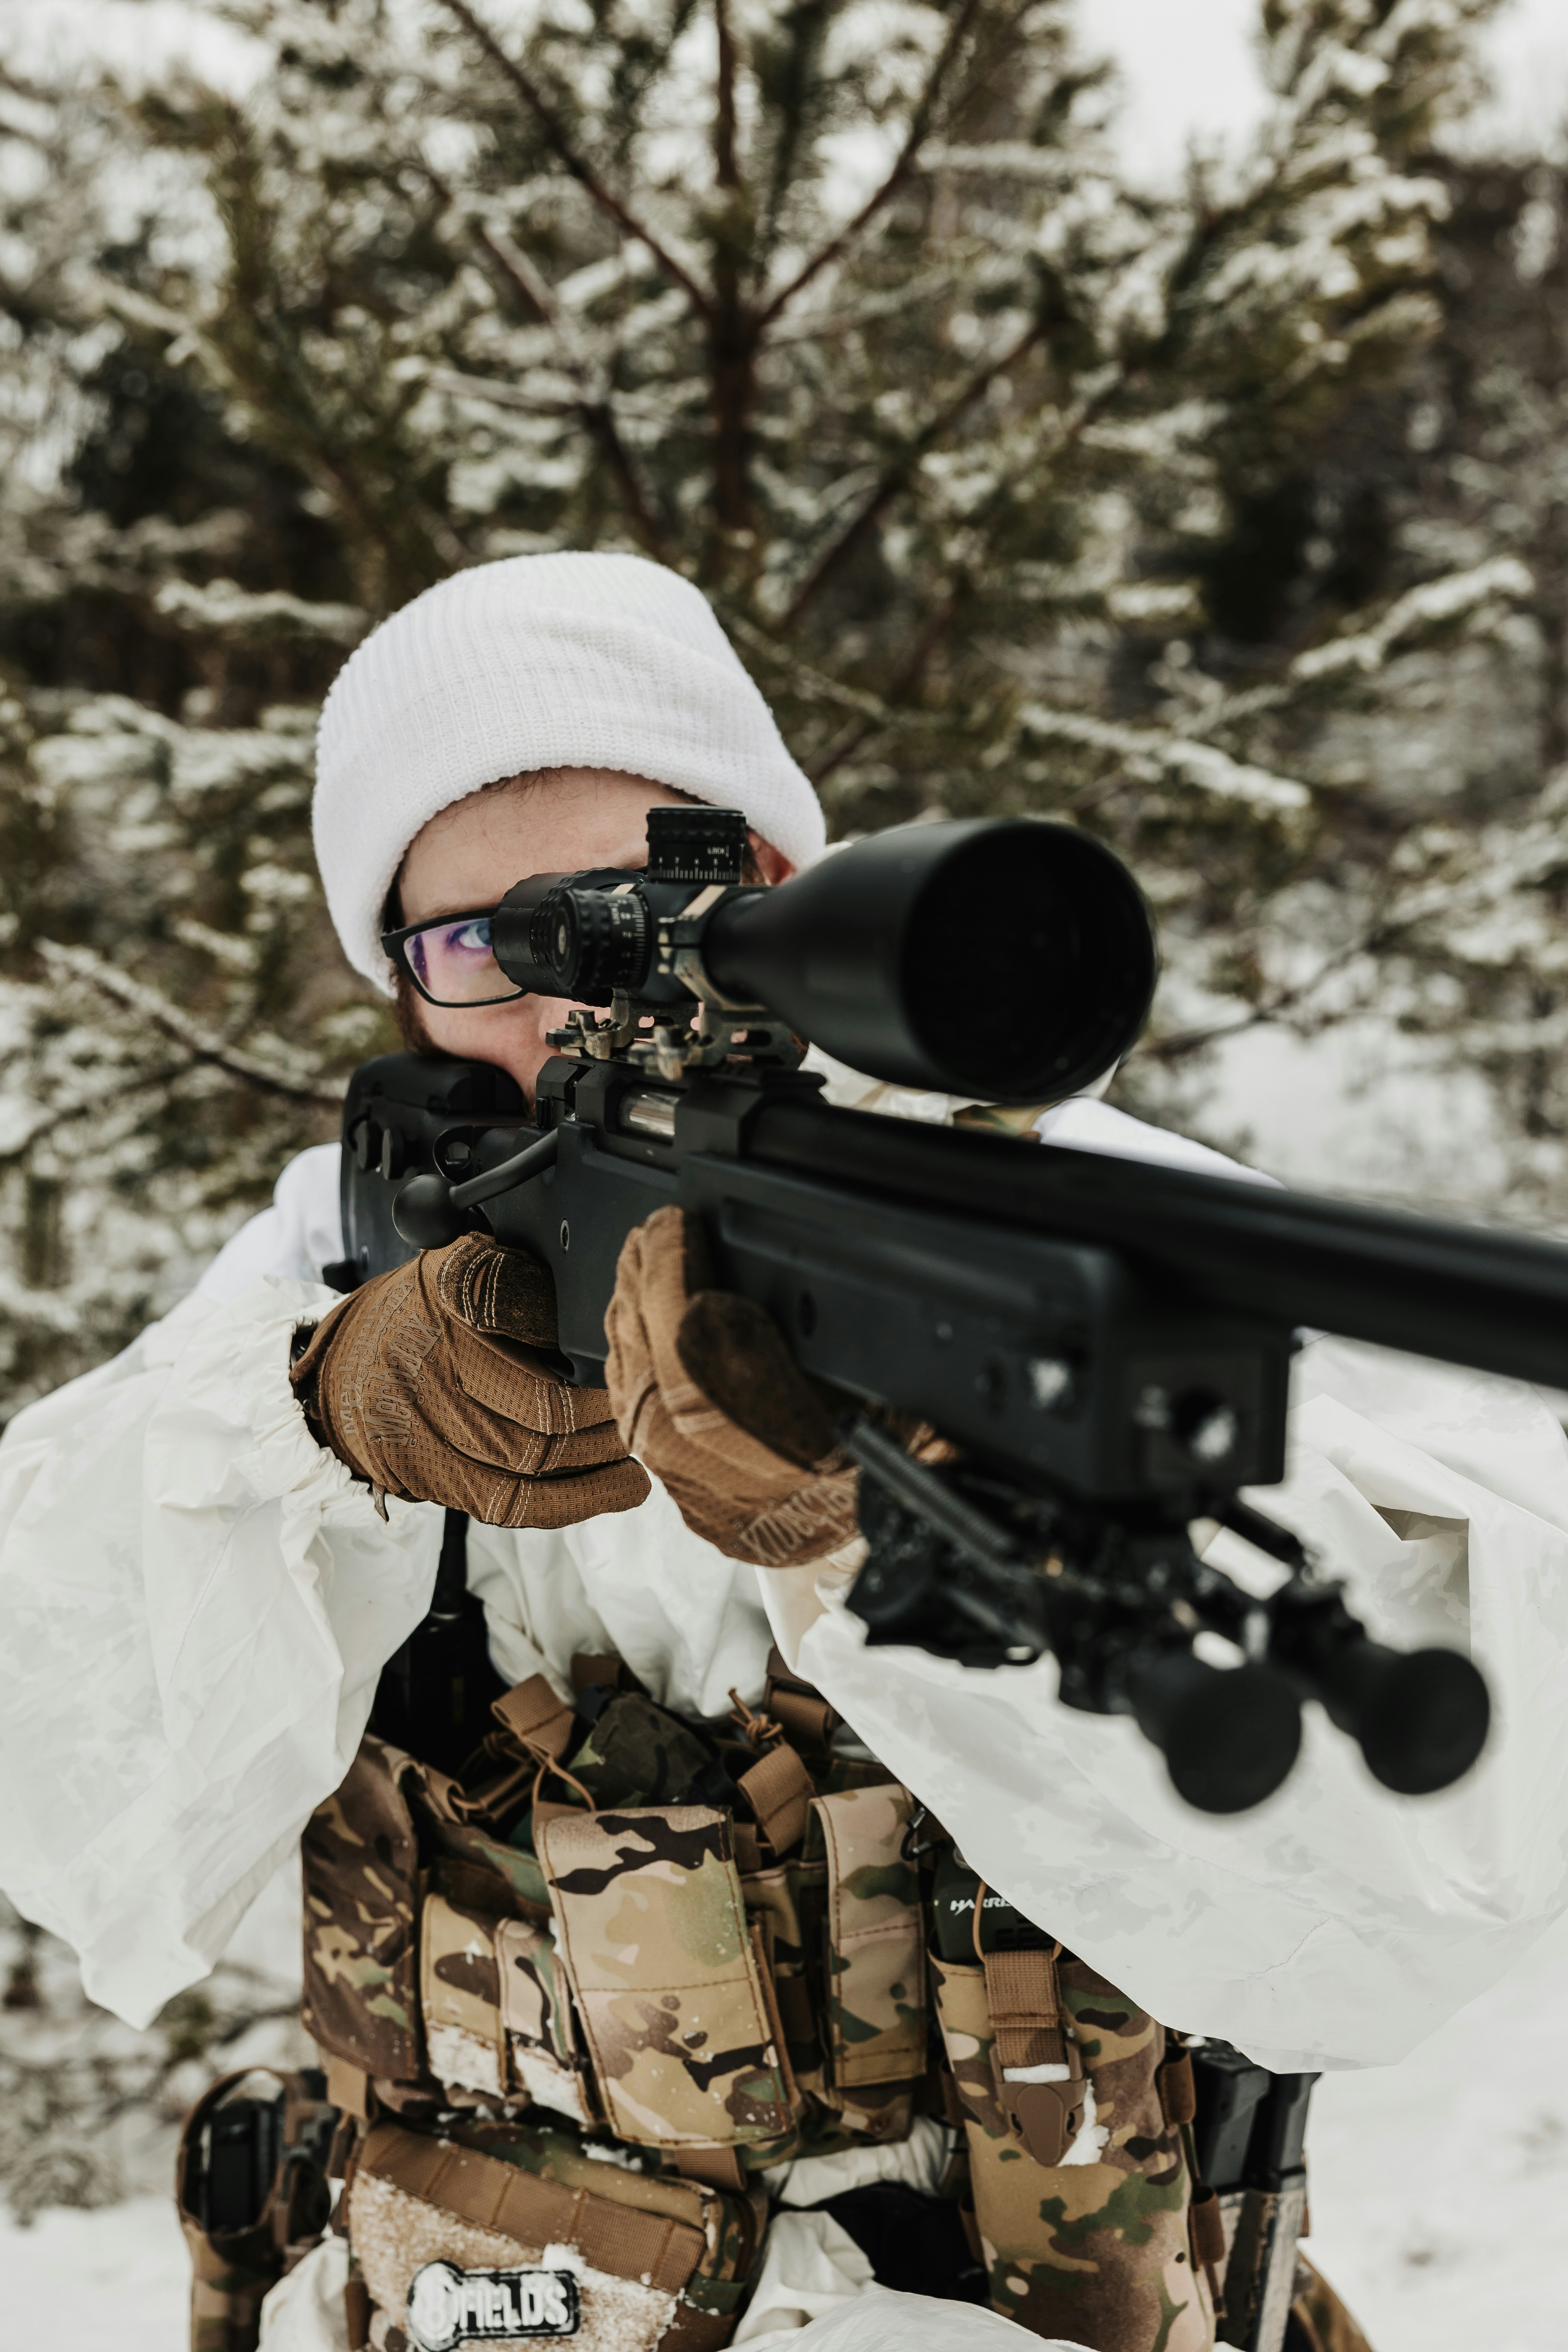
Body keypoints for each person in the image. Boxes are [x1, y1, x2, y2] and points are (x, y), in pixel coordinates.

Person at [2, 554, 1566, 2352]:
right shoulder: (326, 1269)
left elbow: (1418, 1885)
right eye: (477, 944)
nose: (570, 1005)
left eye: (642, 903)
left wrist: (879, 1524)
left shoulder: (1044, 1232)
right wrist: (320, 1422)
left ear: (774, 890)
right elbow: (57, 1779)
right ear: (402, 988)